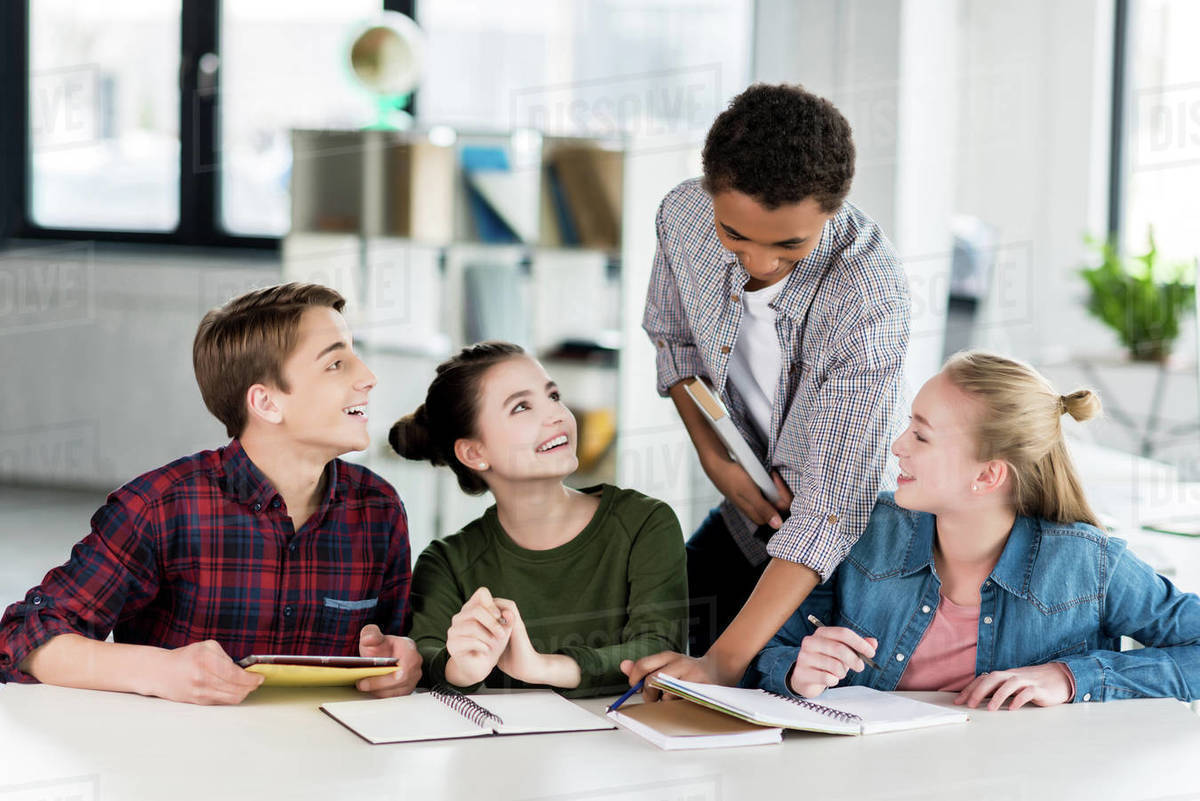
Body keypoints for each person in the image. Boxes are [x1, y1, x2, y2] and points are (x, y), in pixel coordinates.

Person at [0, 283, 421, 704]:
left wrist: (400, 662)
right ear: (267, 403)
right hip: (180, 761)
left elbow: (396, 647)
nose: (368, 377)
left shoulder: (379, 509)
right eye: (335, 363)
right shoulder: (160, 507)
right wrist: (156, 669)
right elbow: (21, 638)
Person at [630, 82, 910, 693]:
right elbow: (674, 343)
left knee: (767, 692)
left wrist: (721, 665)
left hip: (846, 557)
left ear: (832, 212)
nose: (758, 262)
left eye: (789, 244)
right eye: (736, 235)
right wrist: (715, 459)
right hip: (746, 511)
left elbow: (831, 512)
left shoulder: (867, 298)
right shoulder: (683, 217)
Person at [746, 351, 1200, 709]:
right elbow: (764, 651)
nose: (898, 446)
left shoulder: (1089, 563)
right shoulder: (861, 528)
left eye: (921, 436)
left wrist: (1072, 678)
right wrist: (794, 670)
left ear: (987, 476)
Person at [394, 342, 687, 697]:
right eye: (522, 407)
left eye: (553, 395)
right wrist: (460, 666)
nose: (557, 414)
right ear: (474, 452)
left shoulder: (645, 524)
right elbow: (424, 656)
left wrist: (541, 666)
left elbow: (657, 651)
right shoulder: (446, 563)